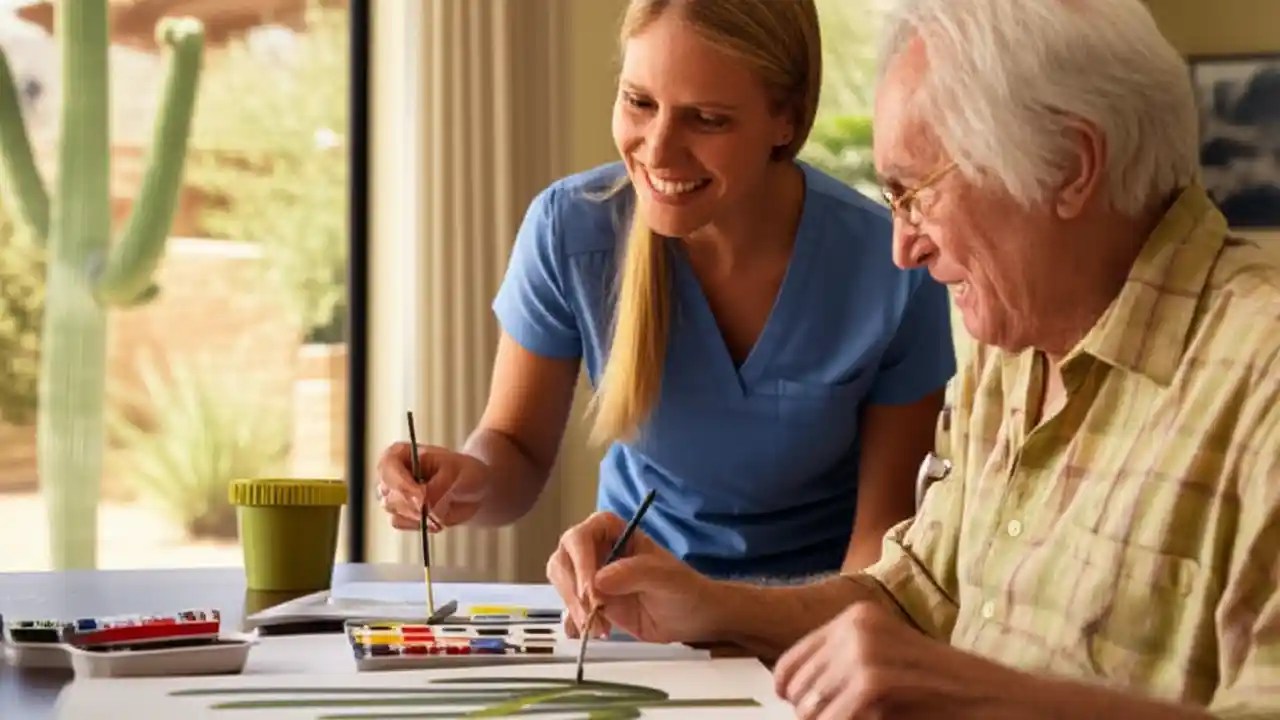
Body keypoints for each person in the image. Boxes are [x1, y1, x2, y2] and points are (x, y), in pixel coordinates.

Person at [546, 0, 1280, 717]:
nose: (903, 247)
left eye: (915, 194)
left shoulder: (1260, 375)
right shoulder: (1011, 345)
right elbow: (913, 595)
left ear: (1070, 167)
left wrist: (964, 689)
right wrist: (704, 605)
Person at [374, 0, 955, 582]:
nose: (657, 150)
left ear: (787, 118)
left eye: (706, 119)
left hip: (813, 635)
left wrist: (771, 632)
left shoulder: (895, 264)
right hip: (632, 615)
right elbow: (514, 452)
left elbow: (881, 547)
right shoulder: (570, 230)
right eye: (639, 102)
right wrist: (464, 479)